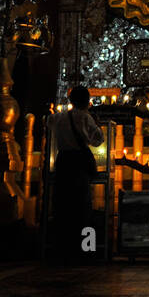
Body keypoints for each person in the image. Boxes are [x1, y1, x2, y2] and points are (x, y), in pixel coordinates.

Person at [50, 86, 104, 263]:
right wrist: (97, 123)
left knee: (62, 206)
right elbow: (98, 139)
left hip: (63, 161)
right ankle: (85, 250)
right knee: (82, 207)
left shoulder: (58, 118)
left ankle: (62, 248)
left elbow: (48, 121)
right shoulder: (84, 117)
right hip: (79, 164)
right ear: (86, 101)